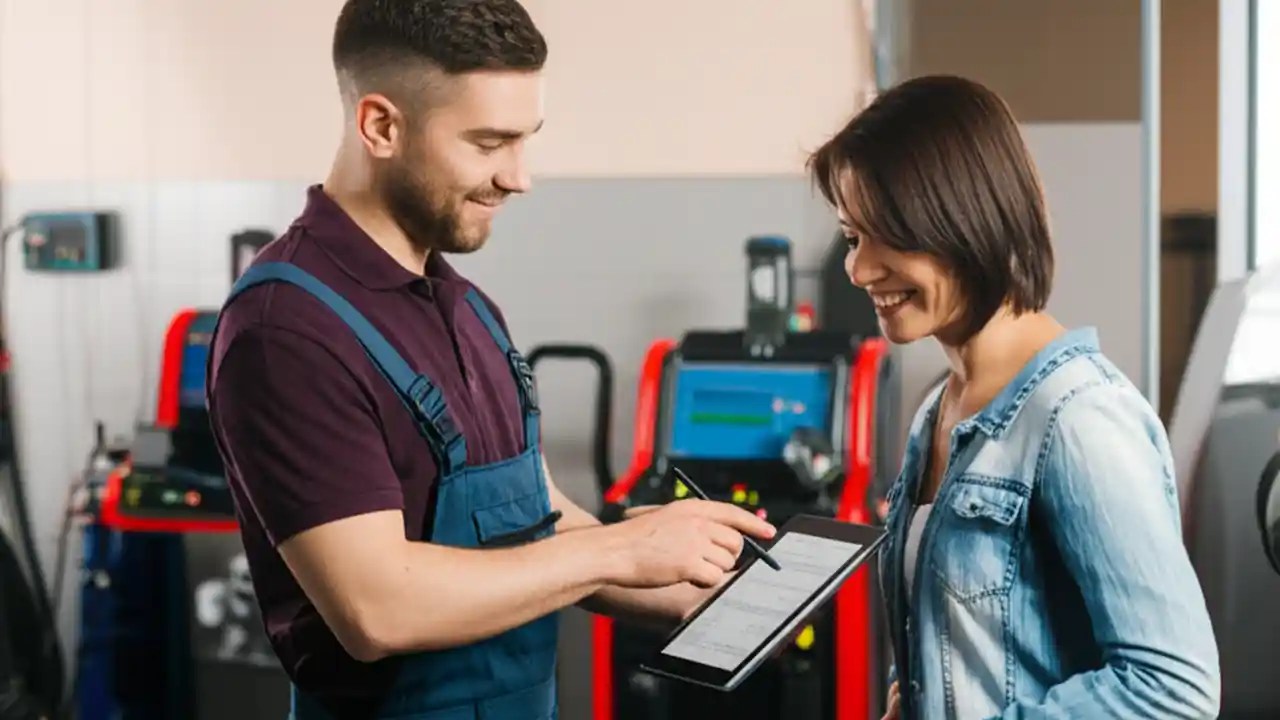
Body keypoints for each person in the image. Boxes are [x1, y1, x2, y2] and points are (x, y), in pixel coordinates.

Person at [204, 1, 776, 718]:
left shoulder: (468, 309)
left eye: (524, 141)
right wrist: (622, 550)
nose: (519, 177)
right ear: (381, 125)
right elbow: (376, 608)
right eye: (488, 143)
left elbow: (539, 521)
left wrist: (692, 581)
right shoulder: (285, 329)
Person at [806, 75, 1221, 719]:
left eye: (888, 235)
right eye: (854, 238)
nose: (860, 270)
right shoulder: (940, 408)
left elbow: (1172, 687)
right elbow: (966, 645)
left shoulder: (1077, 417)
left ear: (963, 222)